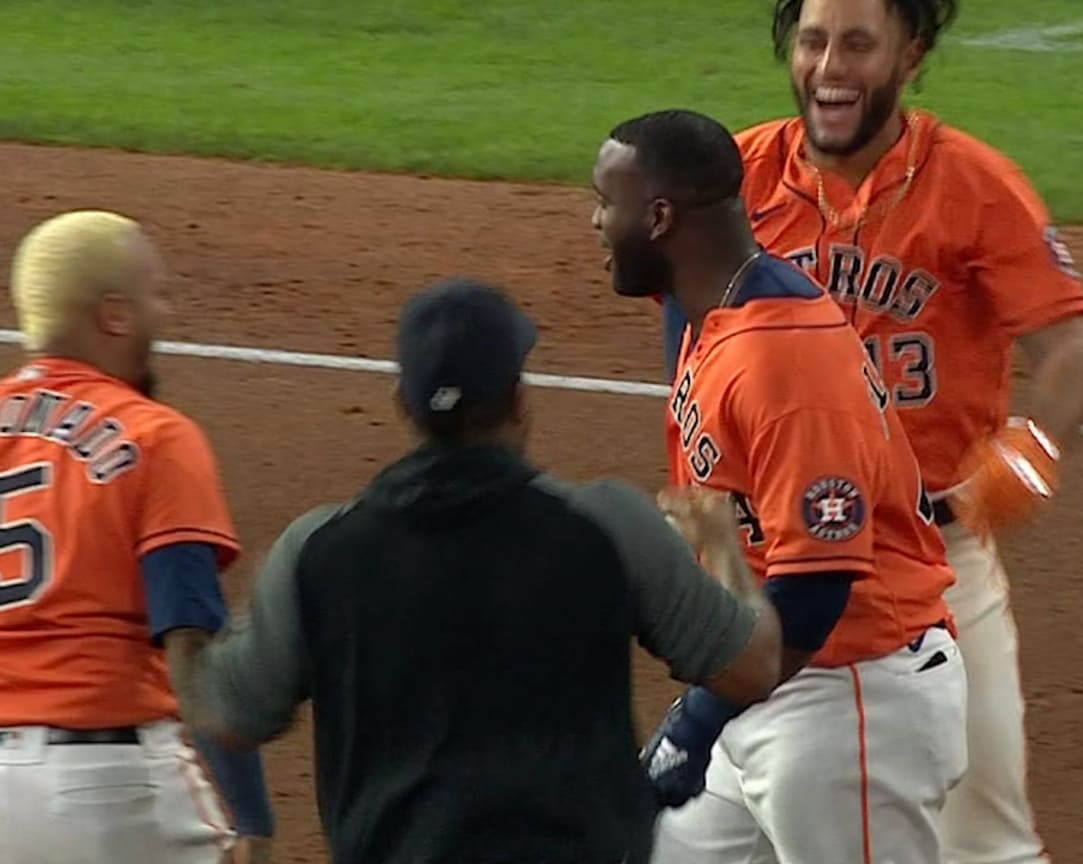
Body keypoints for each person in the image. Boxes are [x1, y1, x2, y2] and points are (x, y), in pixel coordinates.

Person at [657, 2, 1083, 859]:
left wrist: (1031, 452)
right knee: (696, 829)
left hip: (932, 565)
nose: (831, 67)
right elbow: (680, 318)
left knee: (987, 842)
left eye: (858, 45)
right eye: (814, 41)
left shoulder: (972, 184)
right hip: (767, 562)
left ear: (912, 57)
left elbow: (1072, 346)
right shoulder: (738, 179)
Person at [182, 276, 783, 864]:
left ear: (403, 406)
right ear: (519, 402)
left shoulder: (316, 553)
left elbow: (228, 715)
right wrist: (722, 552)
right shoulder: (607, 528)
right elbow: (753, 667)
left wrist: (174, 613)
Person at [595, 107, 968, 864]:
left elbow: (818, 585)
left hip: (851, 699)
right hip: (768, 683)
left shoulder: (783, 363)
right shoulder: (717, 307)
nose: (596, 221)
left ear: (660, 218)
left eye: (608, 202)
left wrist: (698, 718)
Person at [0, 210, 274, 864]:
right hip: (110, 793)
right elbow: (192, 643)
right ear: (115, 315)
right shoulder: (156, 435)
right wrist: (252, 817)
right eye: (157, 295)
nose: (165, 313)